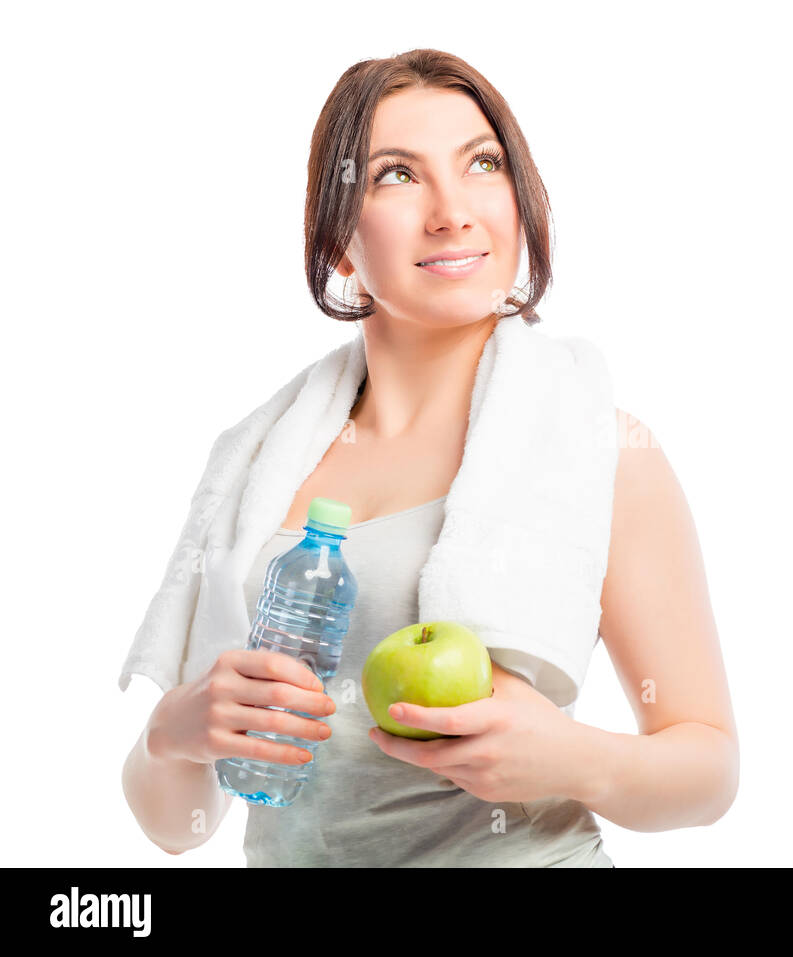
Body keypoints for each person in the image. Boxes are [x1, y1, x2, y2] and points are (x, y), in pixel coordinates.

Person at [121, 48, 739, 866]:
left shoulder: (596, 447)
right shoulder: (257, 468)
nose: (452, 211)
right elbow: (174, 827)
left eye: (483, 164)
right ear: (338, 238)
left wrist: (571, 756)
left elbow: (709, 767)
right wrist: (174, 732)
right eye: (396, 176)